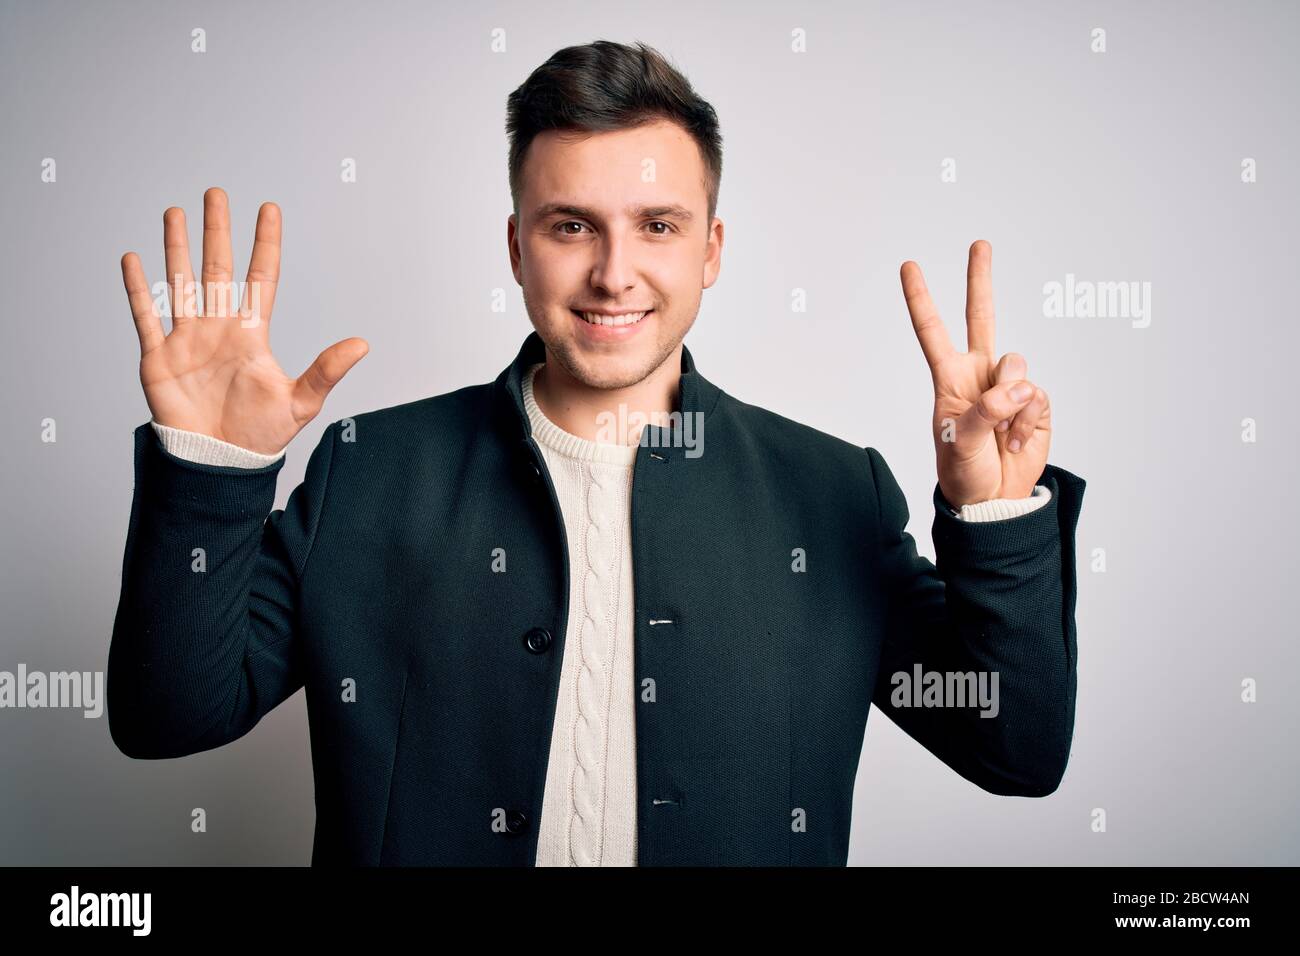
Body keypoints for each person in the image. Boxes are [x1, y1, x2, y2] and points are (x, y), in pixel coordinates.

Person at [108, 39, 1085, 866]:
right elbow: (168, 716)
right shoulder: (370, 470)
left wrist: (994, 520)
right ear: (516, 247)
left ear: (709, 249)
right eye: (570, 225)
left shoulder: (830, 492)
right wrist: (211, 471)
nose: (614, 272)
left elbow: (1015, 749)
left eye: (657, 226)